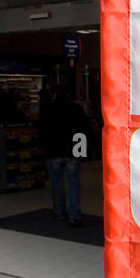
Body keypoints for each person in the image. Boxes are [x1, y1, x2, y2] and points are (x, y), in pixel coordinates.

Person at [41, 87, 91, 226]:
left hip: (54, 151)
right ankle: (74, 214)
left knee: (57, 182)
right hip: (73, 151)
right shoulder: (76, 109)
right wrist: (82, 151)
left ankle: (59, 211)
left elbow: (43, 130)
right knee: (73, 182)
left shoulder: (48, 109)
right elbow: (84, 129)